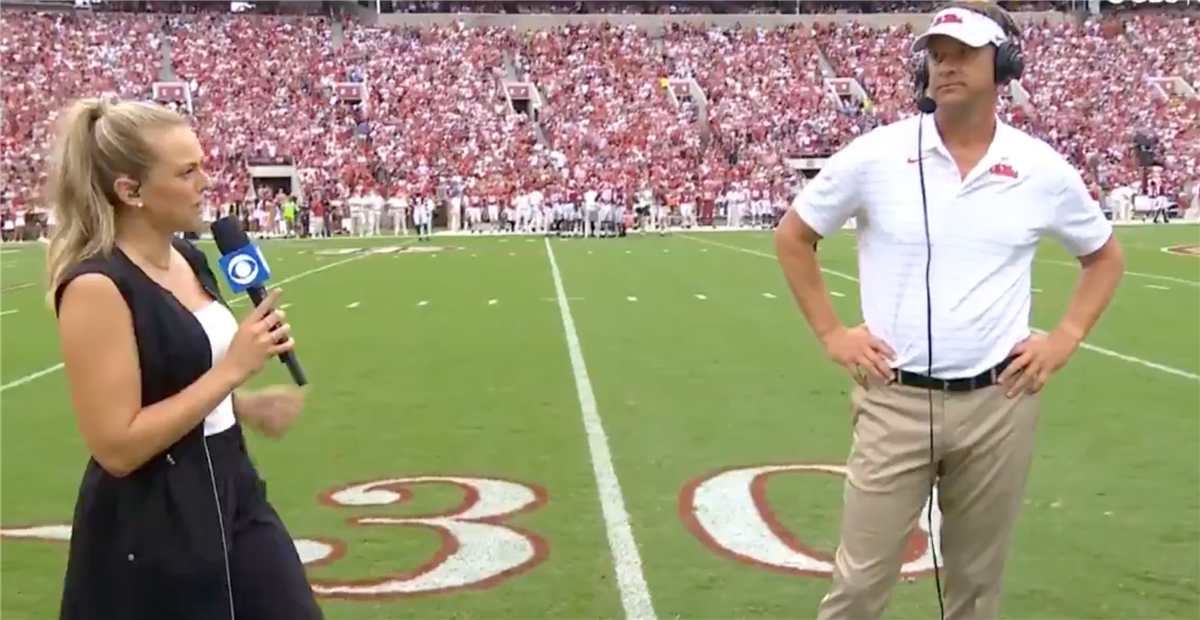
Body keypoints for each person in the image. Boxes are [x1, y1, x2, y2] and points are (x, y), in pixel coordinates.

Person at [773, 3, 1125, 619]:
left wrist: (1064, 337)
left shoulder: (1040, 168)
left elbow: (1104, 257)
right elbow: (793, 235)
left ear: (1004, 64)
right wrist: (832, 333)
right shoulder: (876, 155)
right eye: (937, 55)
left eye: (963, 53)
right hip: (895, 400)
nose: (947, 66)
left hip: (999, 404)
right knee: (857, 586)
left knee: (975, 587)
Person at [46, 97, 324, 620]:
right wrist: (232, 371)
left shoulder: (190, 258)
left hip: (231, 482)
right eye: (187, 170)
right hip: (154, 516)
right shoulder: (97, 287)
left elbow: (177, 377)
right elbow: (118, 447)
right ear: (131, 191)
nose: (205, 181)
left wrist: (243, 403)